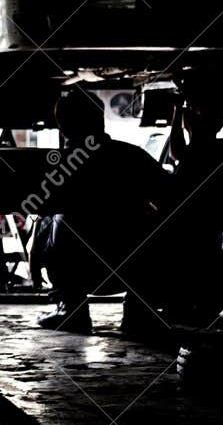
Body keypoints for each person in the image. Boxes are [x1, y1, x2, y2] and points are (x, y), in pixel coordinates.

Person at [32, 88, 170, 337]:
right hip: (132, 268)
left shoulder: (58, 167)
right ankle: (139, 310)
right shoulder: (133, 157)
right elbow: (171, 199)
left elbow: (38, 210)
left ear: (63, 130)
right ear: (100, 120)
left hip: (81, 270)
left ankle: (71, 308)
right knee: (156, 216)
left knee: (51, 217)